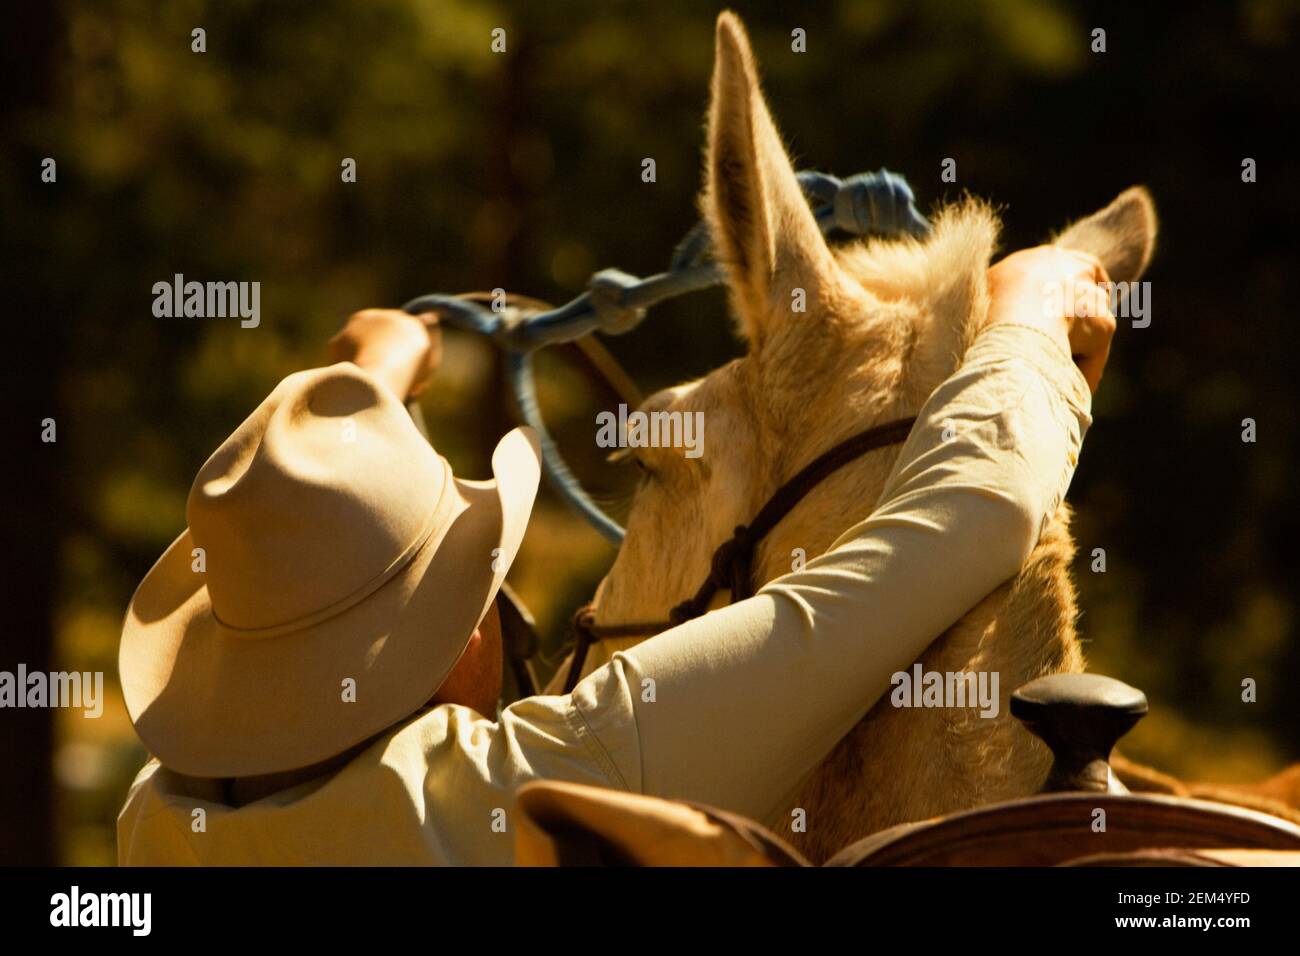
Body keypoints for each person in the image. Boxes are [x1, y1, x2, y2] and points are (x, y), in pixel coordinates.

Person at [116, 246, 1115, 865]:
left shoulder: (155, 819)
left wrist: (368, 377)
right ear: (457, 646)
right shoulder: (536, 785)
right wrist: (1028, 317)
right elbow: (972, 517)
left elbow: (276, 536)